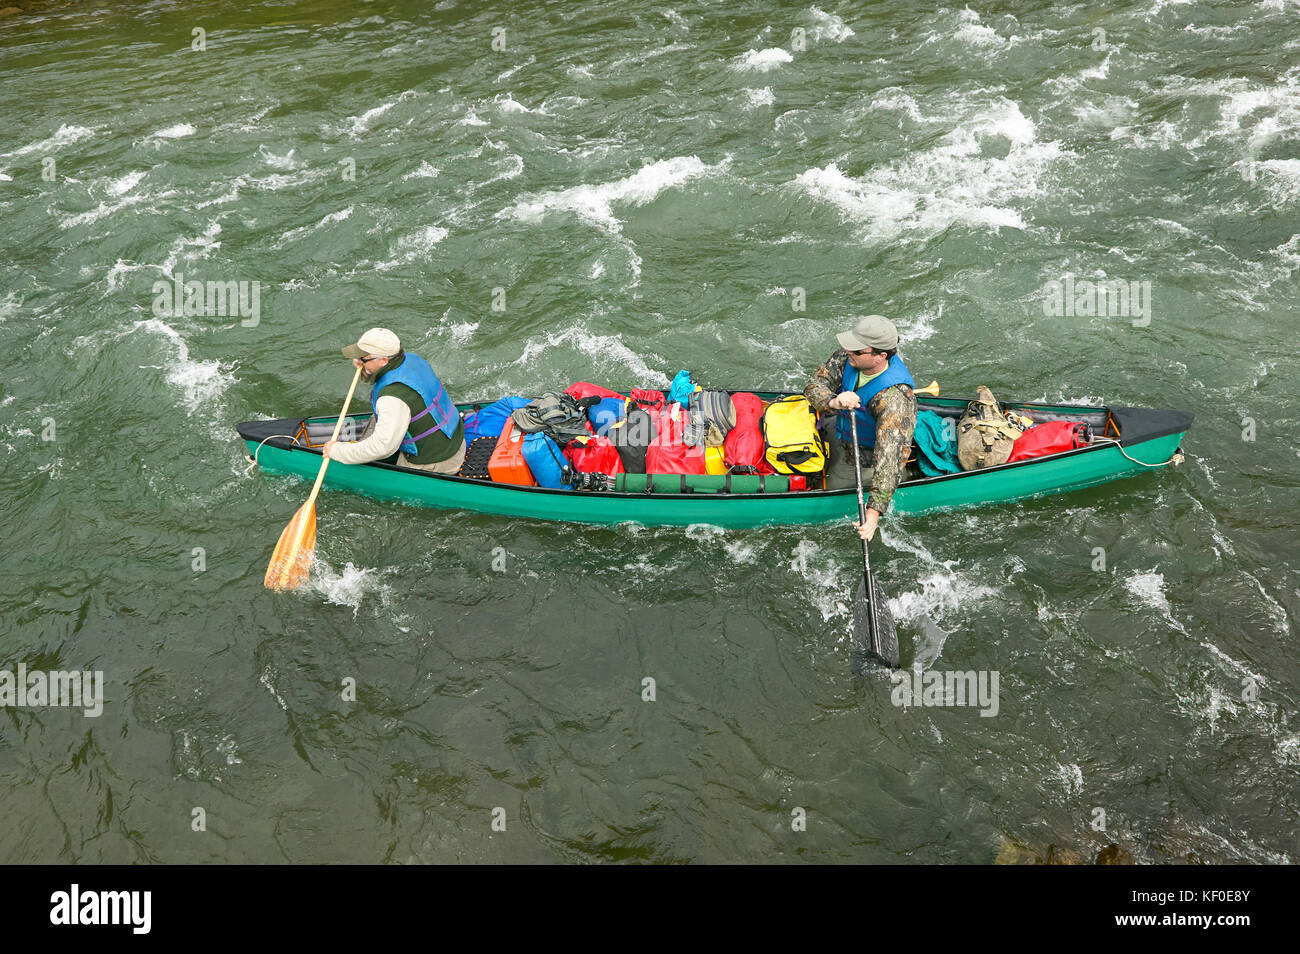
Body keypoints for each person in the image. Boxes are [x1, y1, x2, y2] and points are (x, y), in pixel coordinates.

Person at [803, 315, 917, 541]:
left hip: (864, 456)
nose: (848, 351)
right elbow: (814, 386)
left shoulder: (896, 399)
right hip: (841, 428)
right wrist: (833, 401)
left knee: (826, 498)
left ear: (880, 356)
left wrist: (873, 513)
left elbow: (889, 457)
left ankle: (908, 476)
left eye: (857, 350)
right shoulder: (850, 357)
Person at [322, 327, 467, 475]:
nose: (358, 362)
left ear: (384, 360)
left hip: (437, 462)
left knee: (374, 465)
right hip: (454, 439)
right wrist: (365, 366)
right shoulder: (411, 359)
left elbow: (383, 447)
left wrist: (336, 451)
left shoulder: (392, 398)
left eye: (363, 359)